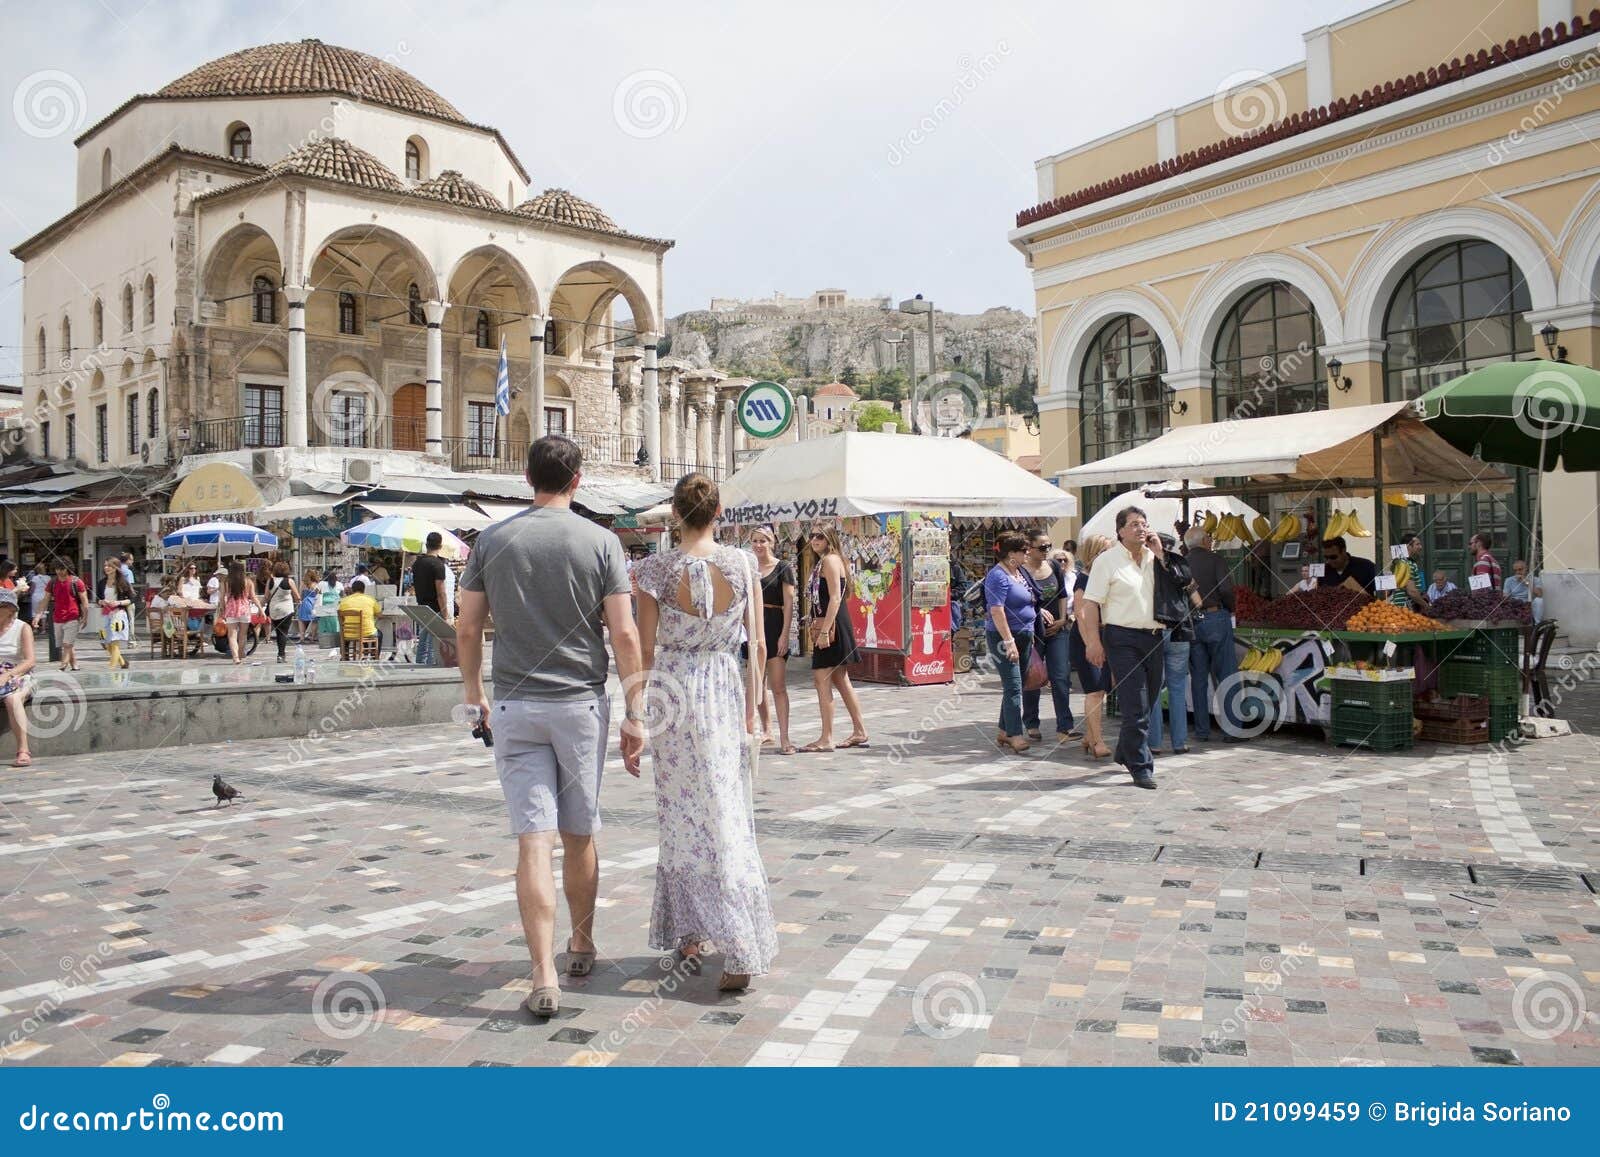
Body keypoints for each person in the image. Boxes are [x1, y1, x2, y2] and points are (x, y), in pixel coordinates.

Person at [457, 435, 645, 1018]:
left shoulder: (493, 539)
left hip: (515, 704)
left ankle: (542, 974)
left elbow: (466, 628)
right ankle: (581, 942)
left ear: (526, 478)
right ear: (579, 479)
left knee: (531, 840)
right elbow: (624, 633)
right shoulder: (602, 542)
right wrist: (637, 710)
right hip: (580, 706)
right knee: (579, 832)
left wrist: (473, 695)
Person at [634, 473, 777, 992]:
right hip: (723, 685)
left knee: (682, 816)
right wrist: (755, 711)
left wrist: (636, 714)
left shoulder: (652, 571)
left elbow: (645, 651)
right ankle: (736, 947)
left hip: (672, 693)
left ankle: (691, 935)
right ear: (718, 513)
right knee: (727, 812)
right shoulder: (743, 563)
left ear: (675, 514)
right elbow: (757, 645)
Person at [1078, 506, 1165, 790]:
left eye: (1144, 523)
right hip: (1122, 638)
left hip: (1153, 637)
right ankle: (1141, 766)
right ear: (1121, 531)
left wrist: (1161, 552)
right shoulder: (1107, 561)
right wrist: (1093, 641)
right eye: (1135, 524)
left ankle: (1125, 752)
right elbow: (1090, 604)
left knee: (1149, 701)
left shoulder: (1155, 558)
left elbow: (1179, 584)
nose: (1142, 528)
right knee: (1135, 705)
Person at [800, 526, 868, 752]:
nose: (814, 540)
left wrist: (823, 631)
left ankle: (826, 737)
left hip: (832, 625)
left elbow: (835, 598)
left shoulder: (829, 560)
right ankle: (859, 730)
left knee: (822, 679)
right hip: (835, 623)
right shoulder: (830, 559)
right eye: (811, 536)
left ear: (830, 538)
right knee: (840, 679)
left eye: (820, 536)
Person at [1020, 530, 1077, 745]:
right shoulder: (1022, 571)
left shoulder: (1053, 566)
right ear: (1030, 548)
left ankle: (1065, 725)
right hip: (1033, 632)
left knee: (1061, 677)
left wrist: (1063, 619)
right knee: (1034, 676)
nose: (1047, 551)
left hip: (1057, 630)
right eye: (1042, 547)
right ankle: (1032, 722)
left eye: (1048, 546)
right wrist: (1036, 613)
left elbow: (1062, 594)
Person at [1184, 525, 1238, 743]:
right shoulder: (1215, 560)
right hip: (1216, 617)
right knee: (1226, 673)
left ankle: (1201, 730)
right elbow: (1225, 590)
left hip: (1192, 621)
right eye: (1209, 538)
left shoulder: (1182, 562)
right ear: (1205, 541)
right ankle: (1232, 730)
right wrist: (1231, 608)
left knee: (1198, 678)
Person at [984, 531, 1037, 755]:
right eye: (1023, 550)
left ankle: (1004, 730)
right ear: (1011, 554)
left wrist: (1039, 611)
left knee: (1016, 684)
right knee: (1014, 686)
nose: (1028, 554)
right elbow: (996, 610)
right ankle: (1016, 734)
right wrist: (1008, 641)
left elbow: (1025, 599)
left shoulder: (1020, 572)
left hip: (1025, 634)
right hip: (1004, 637)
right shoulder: (998, 576)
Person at [1147, 533, 1201, 755]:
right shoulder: (1180, 565)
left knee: (1154, 689)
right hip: (1180, 627)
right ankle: (1180, 742)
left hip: (1156, 628)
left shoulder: (1145, 566)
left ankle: (1155, 743)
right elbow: (1197, 599)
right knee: (1177, 688)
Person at [748, 525, 796, 754]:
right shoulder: (748, 568)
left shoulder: (783, 568)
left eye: (763, 541)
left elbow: (789, 605)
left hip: (775, 625)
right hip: (752, 629)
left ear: (771, 543)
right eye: (755, 540)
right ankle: (767, 729)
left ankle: (785, 737)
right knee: (757, 684)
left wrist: (785, 634)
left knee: (778, 686)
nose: (758, 545)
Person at [1068, 535, 1114, 758]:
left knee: (1101, 690)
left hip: (1102, 637)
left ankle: (1089, 736)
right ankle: (1097, 742)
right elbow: (1081, 614)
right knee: (1094, 690)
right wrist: (1090, 645)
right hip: (1086, 639)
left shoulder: (1102, 577)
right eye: (1106, 550)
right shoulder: (1083, 579)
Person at [0, 590, 38, 768]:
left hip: (19, 673)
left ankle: (23, 750)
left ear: (9, 609)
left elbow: (30, 661)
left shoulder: (22, 627)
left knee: (13, 698)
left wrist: (8, 675)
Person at [33, 562, 89, 672]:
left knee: (67, 643)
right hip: (57, 617)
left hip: (73, 616)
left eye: (62, 569)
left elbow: (84, 600)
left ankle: (63, 665)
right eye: (57, 569)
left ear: (68, 569)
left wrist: (86, 617)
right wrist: (38, 616)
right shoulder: (52, 582)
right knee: (67, 643)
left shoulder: (76, 582)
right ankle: (75, 665)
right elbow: (45, 600)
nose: (59, 571)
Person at [411, 533, 451, 667]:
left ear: (426, 545)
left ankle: (419, 665)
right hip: (435, 608)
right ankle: (429, 670)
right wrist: (445, 613)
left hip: (422, 606)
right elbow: (441, 592)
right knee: (433, 644)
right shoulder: (438, 565)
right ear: (440, 545)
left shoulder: (417, 564)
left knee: (423, 641)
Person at [97, 559, 134, 670]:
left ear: (116, 568)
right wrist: (101, 602)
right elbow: (98, 599)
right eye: (105, 565)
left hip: (119, 613)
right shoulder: (102, 582)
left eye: (110, 566)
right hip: (105, 613)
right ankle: (122, 662)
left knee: (114, 641)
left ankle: (111, 669)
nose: (106, 568)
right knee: (106, 642)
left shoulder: (122, 582)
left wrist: (118, 602)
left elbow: (132, 599)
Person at [219, 561, 256, 665]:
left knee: (232, 635)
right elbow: (253, 597)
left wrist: (222, 610)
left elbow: (222, 598)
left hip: (231, 609)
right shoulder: (248, 581)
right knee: (243, 635)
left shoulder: (226, 582)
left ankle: (235, 657)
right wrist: (261, 610)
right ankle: (240, 653)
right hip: (244, 609)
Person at [262, 562, 300, 662]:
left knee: (279, 632)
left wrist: (260, 608)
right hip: (286, 610)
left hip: (273, 610)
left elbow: (266, 597)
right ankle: (281, 655)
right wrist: (298, 601)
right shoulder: (289, 581)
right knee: (283, 632)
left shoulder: (270, 581)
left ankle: (280, 654)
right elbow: (297, 597)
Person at [338, 576, 381, 644]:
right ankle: (374, 654)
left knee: (346, 634)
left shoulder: (344, 601)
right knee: (379, 634)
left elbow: (341, 617)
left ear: (352, 590)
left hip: (349, 633)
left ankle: (345, 653)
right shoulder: (371, 599)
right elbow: (379, 615)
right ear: (364, 590)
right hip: (367, 632)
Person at [1391, 534, 1426, 606]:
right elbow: (1411, 591)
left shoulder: (1401, 562)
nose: (1420, 547)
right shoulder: (1406, 564)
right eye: (1417, 544)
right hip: (1406, 608)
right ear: (1408, 546)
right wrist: (1426, 605)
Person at [315, 569, 343, 647]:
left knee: (324, 627)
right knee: (335, 626)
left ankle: (325, 643)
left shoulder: (321, 584)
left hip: (323, 609)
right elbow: (342, 596)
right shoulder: (339, 584)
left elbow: (316, 593)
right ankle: (336, 643)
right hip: (335, 609)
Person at [297, 569, 320, 642]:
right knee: (314, 621)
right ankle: (312, 637)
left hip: (305, 603)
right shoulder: (316, 584)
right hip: (313, 603)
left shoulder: (303, 583)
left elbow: (300, 595)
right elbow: (318, 595)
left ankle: (302, 638)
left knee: (301, 620)